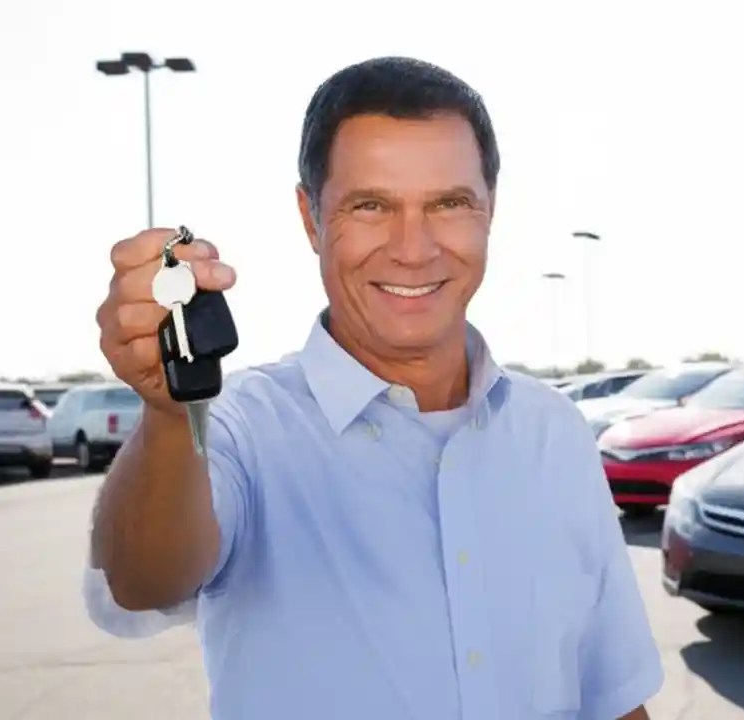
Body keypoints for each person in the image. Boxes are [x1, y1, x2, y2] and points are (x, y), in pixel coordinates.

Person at [85, 56, 663, 720]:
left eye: (449, 204)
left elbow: (613, 694)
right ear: (310, 218)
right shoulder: (241, 429)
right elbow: (143, 579)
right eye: (371, 206)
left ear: (490, 211)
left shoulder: (554, 432)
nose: (413, 249)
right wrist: (166, 414)